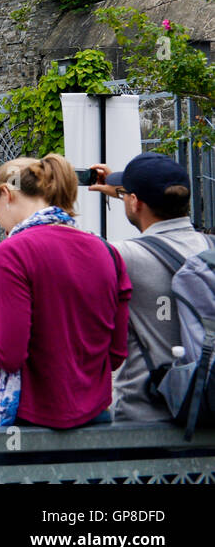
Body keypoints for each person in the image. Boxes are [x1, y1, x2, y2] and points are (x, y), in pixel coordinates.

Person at [0, 154, 130, 454]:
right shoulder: (108, 252)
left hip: (23, 417)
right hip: (92, 418)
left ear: (6, 193)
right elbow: (116, 354)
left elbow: (9, 353)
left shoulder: (12, 251)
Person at [89, 153, 211, 423]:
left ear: (134, 201)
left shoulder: (123, 256)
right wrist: (127, 195)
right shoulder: (211, 249)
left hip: (147, 417)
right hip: (208, 412)